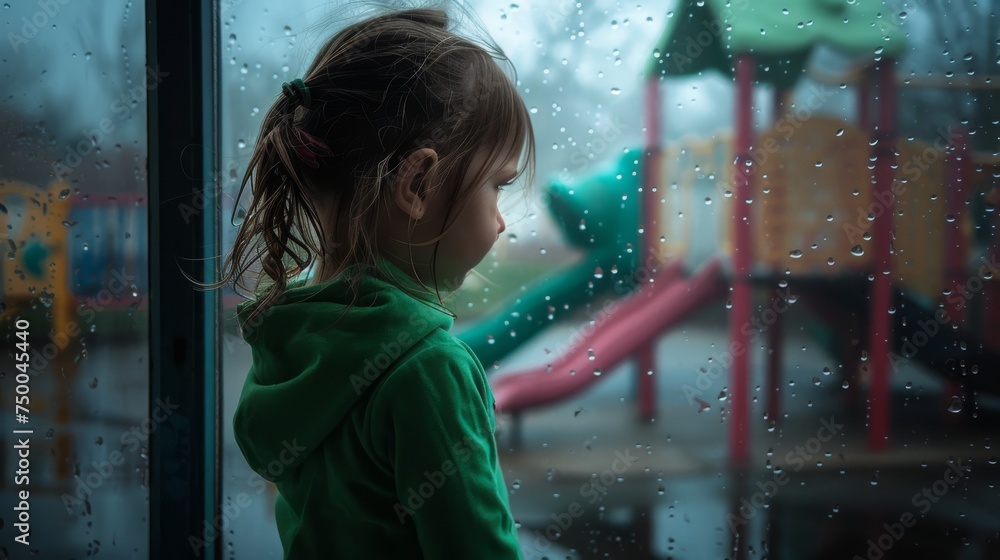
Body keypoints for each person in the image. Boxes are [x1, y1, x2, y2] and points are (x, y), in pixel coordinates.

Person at [212, 5, 535, 558]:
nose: (502, 219)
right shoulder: (429, 370)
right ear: (418, 183)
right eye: (498, 186)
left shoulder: (292, 337)